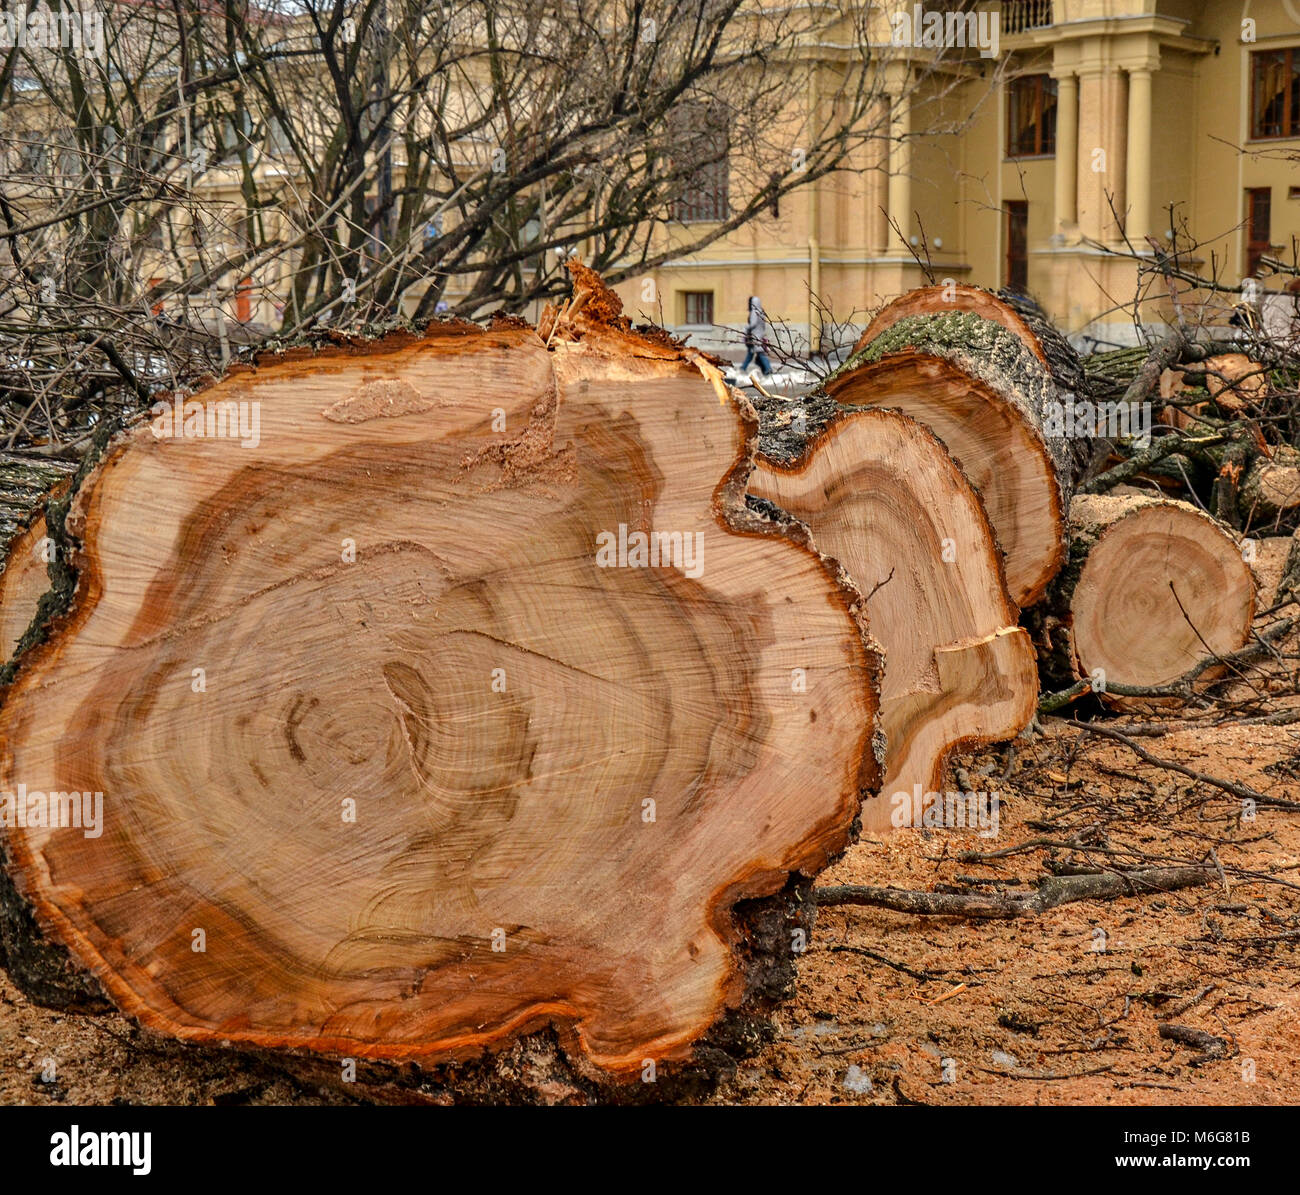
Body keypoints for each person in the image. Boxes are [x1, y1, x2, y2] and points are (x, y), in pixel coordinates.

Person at [740, 296, 773, 377]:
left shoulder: (754, 312)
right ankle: (743, 367)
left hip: (755, 335)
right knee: (751, 352)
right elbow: (763, 325)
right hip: (760, 334)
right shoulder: (762, 312)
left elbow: (753, 323)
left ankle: (768, 369)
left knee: (760, 353)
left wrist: (745, 328)